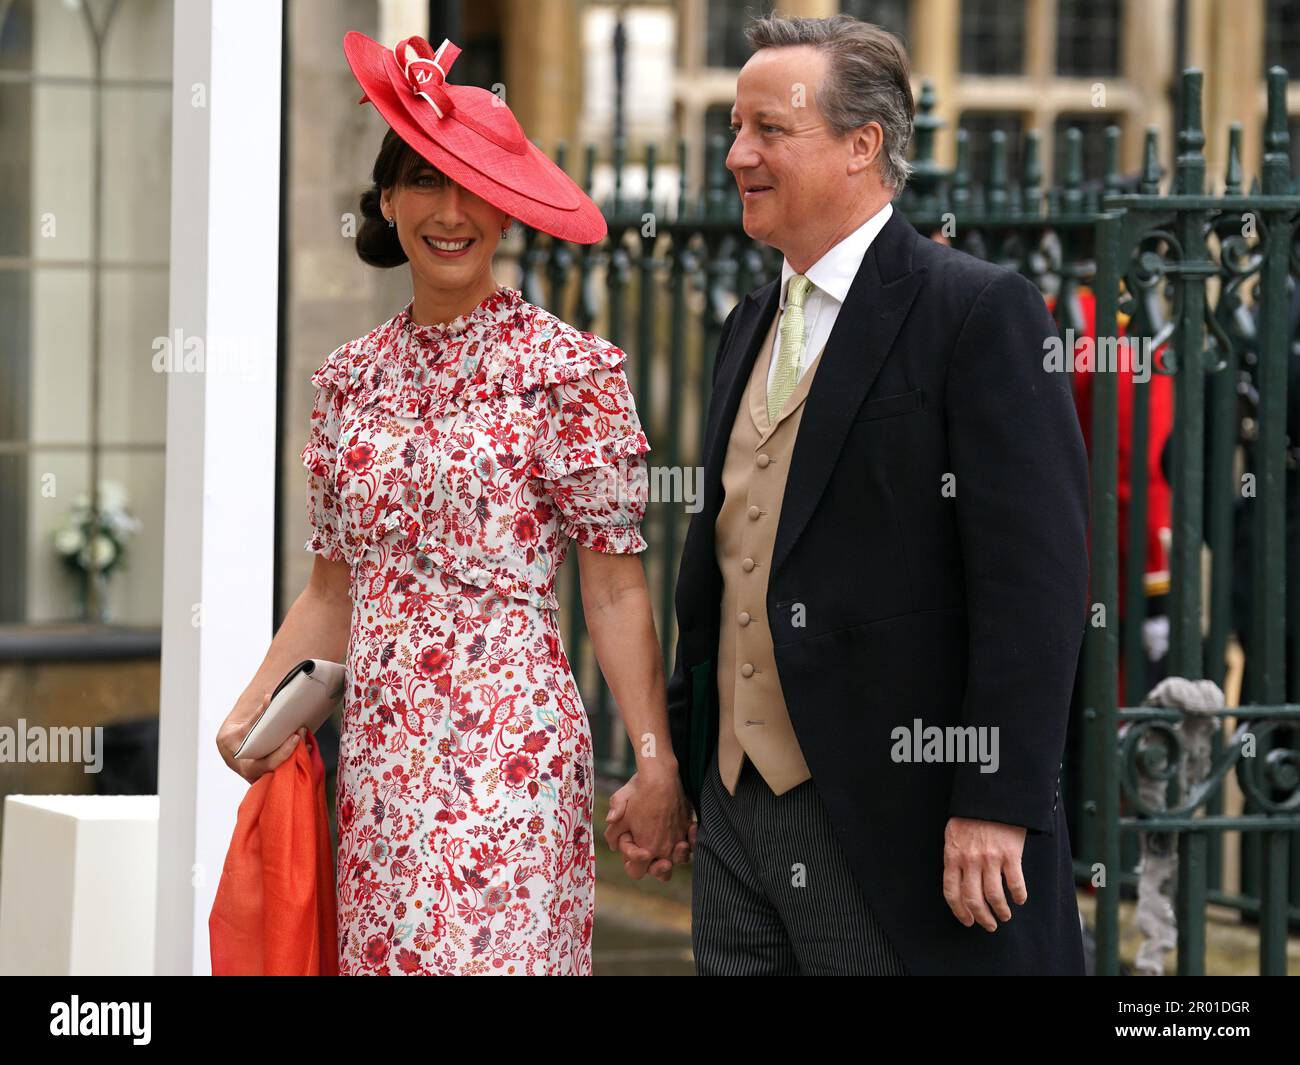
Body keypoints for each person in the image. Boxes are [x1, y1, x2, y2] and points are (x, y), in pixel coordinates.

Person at [215, 32, 692, 976]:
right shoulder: (348, 381)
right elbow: (331, 592)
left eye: (474, 186)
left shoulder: (570, 372)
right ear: (389, 203)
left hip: (512, 760)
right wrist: (251, 708)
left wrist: (654, 758)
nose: (450, 212)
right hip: (383, 766)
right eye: (425, 183)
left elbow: (616, 592)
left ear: (507, 211)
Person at [644, 13, 1091, 974]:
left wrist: (997, 795)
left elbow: (1036, 584)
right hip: (736, 818)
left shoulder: (977, 311)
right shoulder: (748, 322)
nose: (736, 154)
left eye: (769, 129)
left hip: (893, 820)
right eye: (733, 128)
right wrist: (680, 765)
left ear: (863, 145)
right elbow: (720, 565)